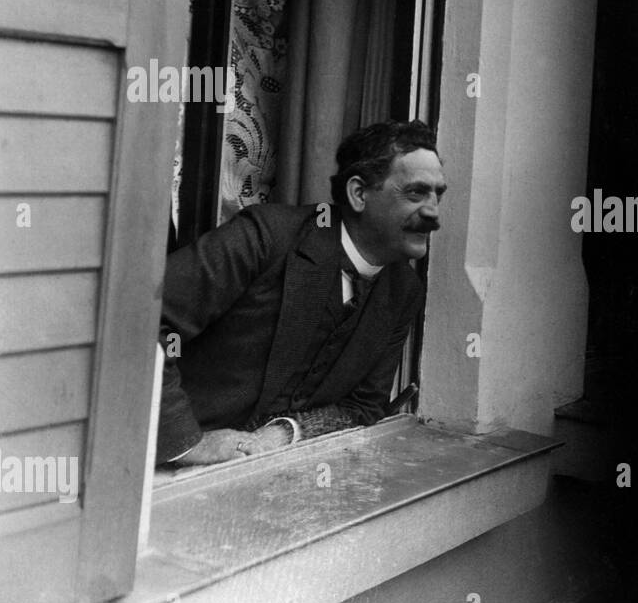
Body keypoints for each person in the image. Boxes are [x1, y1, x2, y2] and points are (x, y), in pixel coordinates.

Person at [156, 120, 444, 465]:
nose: (433, 212)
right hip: (162, 470)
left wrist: (285, 433)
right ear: (358, 194)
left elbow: (364, 406)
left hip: (278, 473)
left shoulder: (403, 291)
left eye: (437, 195)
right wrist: (187, 443)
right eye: (415, 193)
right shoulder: (265, 237)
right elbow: (145, 318)